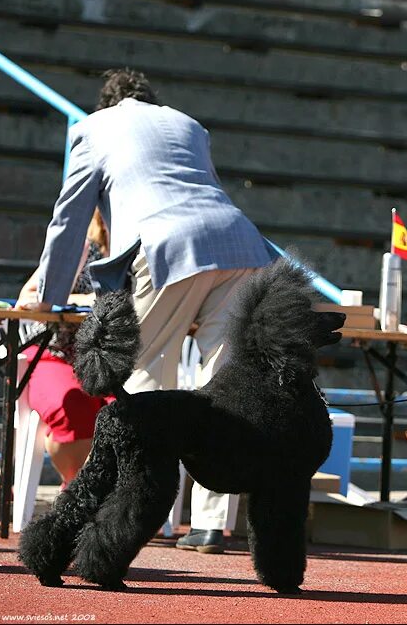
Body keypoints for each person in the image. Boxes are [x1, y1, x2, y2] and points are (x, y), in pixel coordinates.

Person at [16, 68, 274, 553]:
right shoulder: (189, 125)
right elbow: (202, 193)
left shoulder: (91, 129)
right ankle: (209, 526)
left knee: (144, 379)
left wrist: (49, 297)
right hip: (241, 244)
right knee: (223, 385)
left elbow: (70, 217)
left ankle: (141, 515)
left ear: (105, 105)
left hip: (165, 246)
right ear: (152, 100)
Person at [15, 209, 112, 487]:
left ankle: (109, 501)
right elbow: (27, 297)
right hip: (52, 351)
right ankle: (78, 492)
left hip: (105, 358)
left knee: (127, 410)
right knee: (74, 405)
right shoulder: (80, 247)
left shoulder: (139, 255)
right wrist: (84, 298)